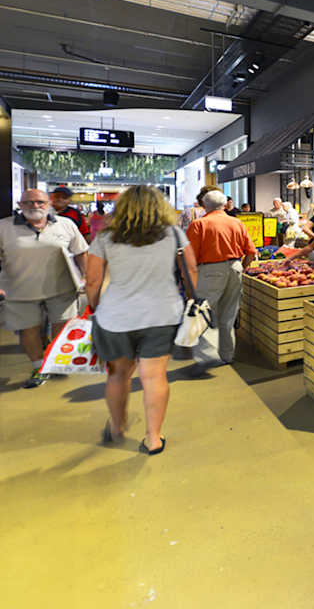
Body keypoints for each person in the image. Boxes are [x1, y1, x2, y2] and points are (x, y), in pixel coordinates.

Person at [85, 185, 195, 454]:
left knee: (117, 375)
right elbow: (190, 268)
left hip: (115, 316)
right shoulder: (174, 234)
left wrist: (96, 307)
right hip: (162, 314)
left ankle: (117, 427)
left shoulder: (106, 237)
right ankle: (153, 438)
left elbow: (92, 280)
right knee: (154, 376)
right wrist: (190, 299)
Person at [0, 189, 89, 388]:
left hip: (62, 288)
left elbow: (81, 252)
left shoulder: (66, 224)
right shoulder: (4, 227)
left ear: (48, 203)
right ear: (20, 205)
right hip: (19, 290)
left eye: (40, 202)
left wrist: (86, 276)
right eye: (29, 202)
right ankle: (39, 366)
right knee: (28, 330)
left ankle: (53, 356)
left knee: (63, 328)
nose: (35, 206)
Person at [185, 190, 256, 373]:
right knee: (229, 314)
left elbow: (190, 257)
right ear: (224, 205)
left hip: (209, 271)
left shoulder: (198, 225)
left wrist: (188, 282)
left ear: (204, 206)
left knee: (206, 314)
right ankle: (227, 355)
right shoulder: (237, 223)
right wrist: (242, 268)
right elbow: (251, 252)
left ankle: (208, 357)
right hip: (235, 268)